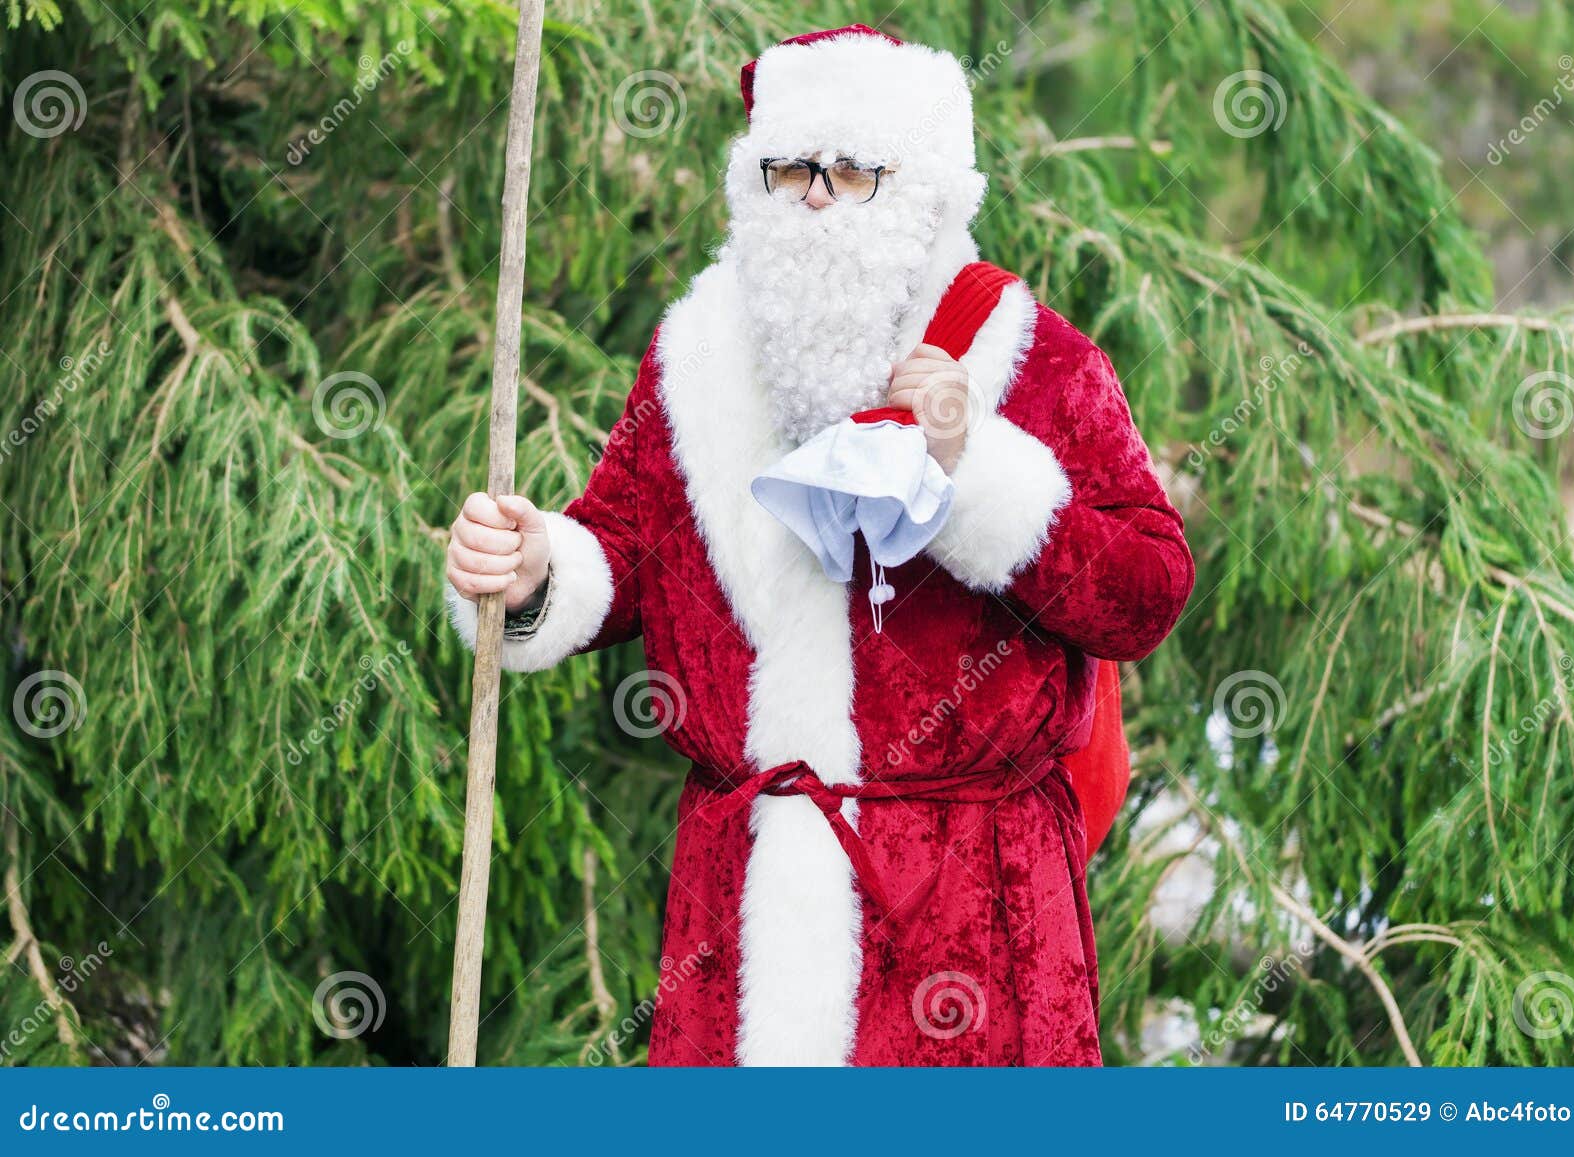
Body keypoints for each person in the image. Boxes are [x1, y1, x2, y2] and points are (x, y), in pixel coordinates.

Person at [444, 25, 1193, 1066]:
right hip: (741, 899)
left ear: (924, 190)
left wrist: (970, 463)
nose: (812, 195)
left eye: (852, 171)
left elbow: (1145, 593)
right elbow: (623, 545)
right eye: (788, 167)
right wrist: (534, 568)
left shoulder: (1034, 359)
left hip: (969, 904)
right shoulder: (695, 356)